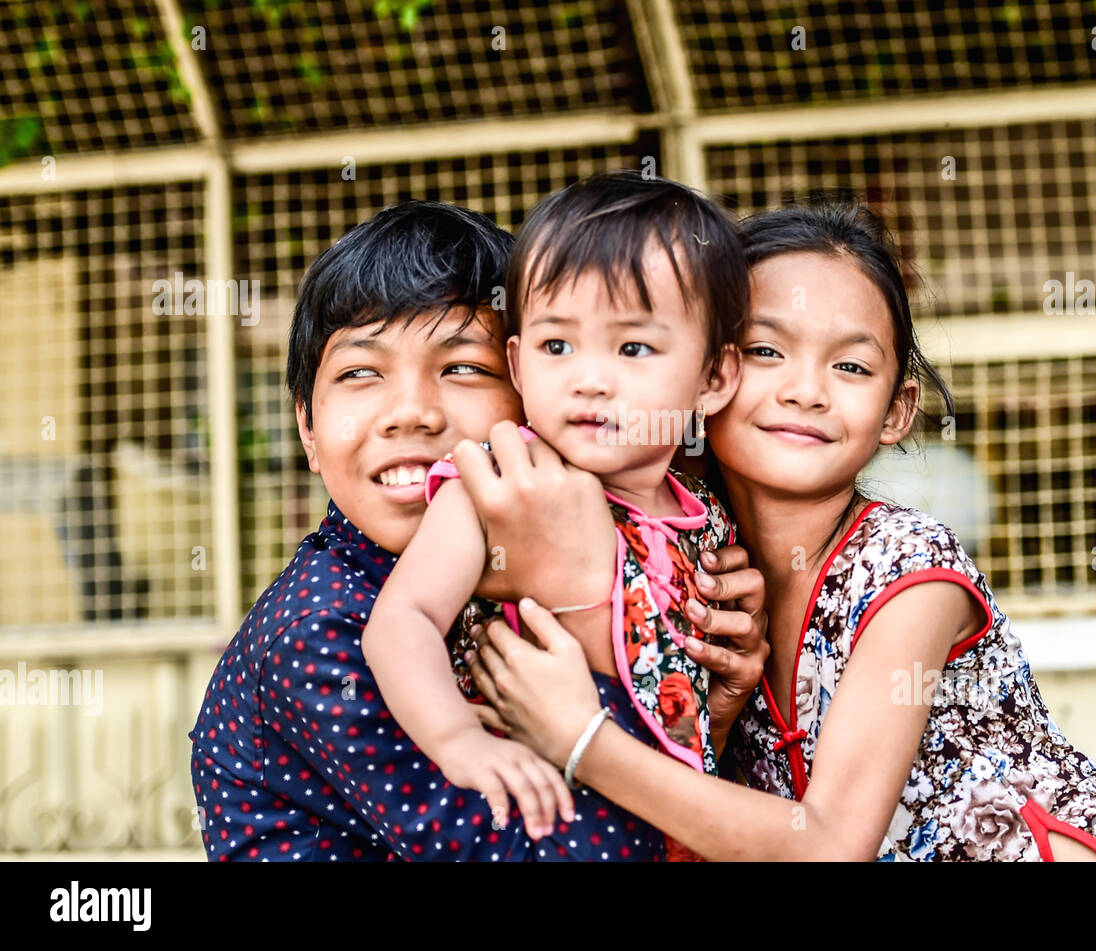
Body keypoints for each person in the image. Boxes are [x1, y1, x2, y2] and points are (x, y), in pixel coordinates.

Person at [464, 201, 1096, 862]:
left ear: (897, 410)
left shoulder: (907, 568)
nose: (806, 390)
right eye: (768, 351)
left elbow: (831, 845)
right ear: (704, 372)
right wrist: (718, 708)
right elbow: (695, 806)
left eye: (850, 365)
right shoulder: (682, 562)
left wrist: (581, 739)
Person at [188, 199, 766, 861]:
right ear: (309, 431)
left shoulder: (604, 523)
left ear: (526, 388)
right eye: (359, 372)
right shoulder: (323, 632)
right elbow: (566, 849)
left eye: (463, 367)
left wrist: (715, 699)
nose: (411, 413)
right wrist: (585, 608)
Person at [362, 171, 747, 861]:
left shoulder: (706, 515)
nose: (588, 377)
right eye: (556, 345)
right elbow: (401, 621)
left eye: (632, 348)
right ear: (517, 361)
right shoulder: (496, 486)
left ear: (713, 378)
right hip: (542, 828)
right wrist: (460, 740)